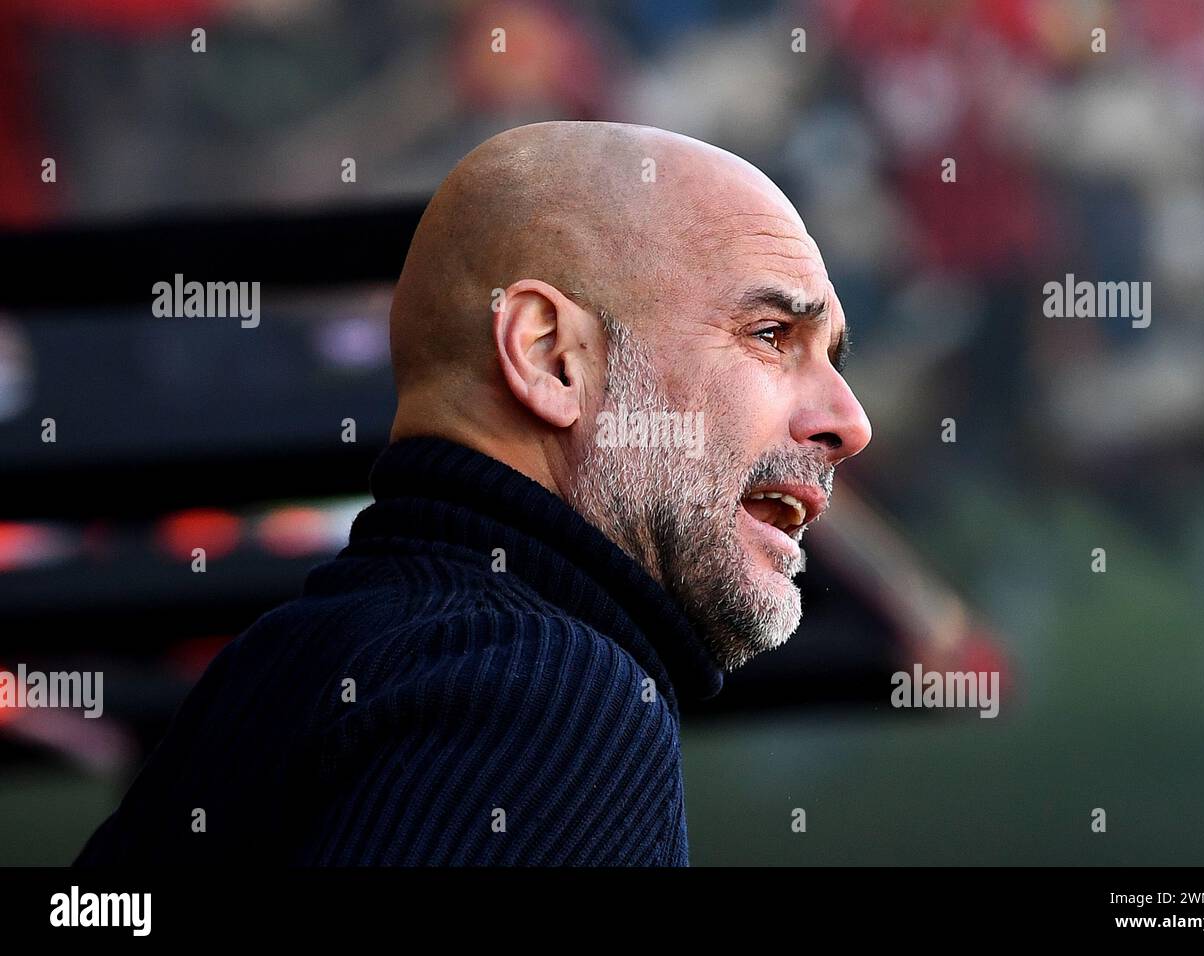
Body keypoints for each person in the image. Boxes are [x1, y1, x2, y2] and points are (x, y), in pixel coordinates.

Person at [73, 121, 871, 866]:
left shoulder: (274, 672)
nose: (850, 421)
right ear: (550, 356)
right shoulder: (551, 698)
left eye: (831, 354)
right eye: (772, 336)